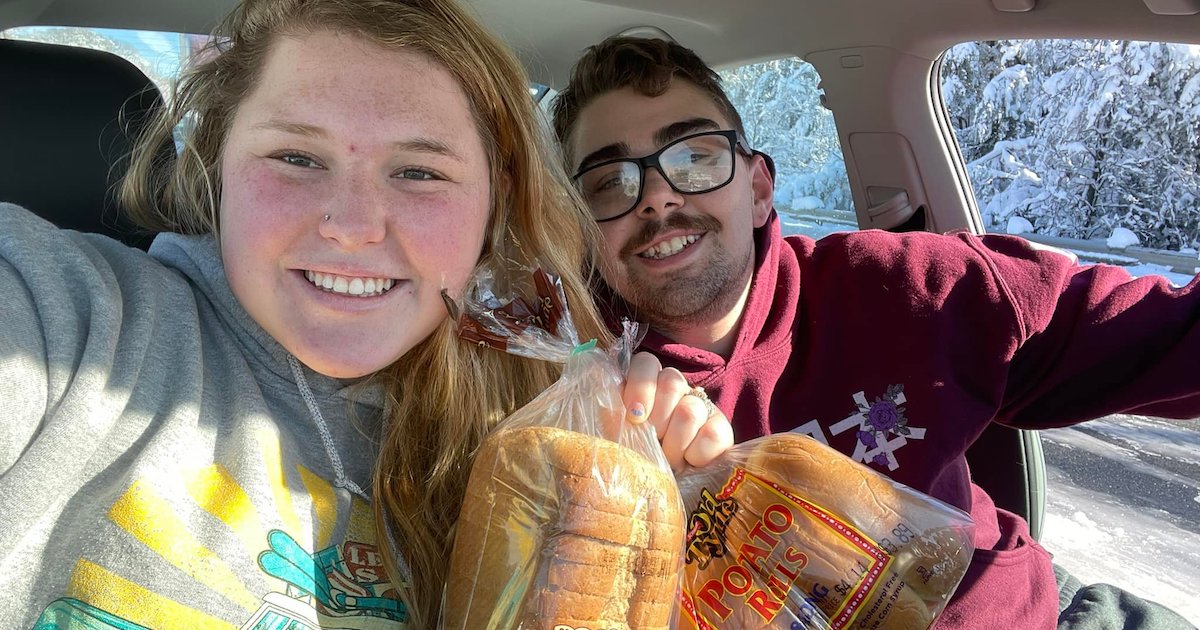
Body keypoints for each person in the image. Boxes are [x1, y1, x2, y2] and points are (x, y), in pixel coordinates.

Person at [0, 4, 734, 628]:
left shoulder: (531, 421)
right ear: (218, 162)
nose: (352, 225)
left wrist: (656, 515)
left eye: (418, 171)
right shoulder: (71, 325)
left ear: (494, 200)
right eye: (296, 157)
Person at [550, 36, 1200, 630]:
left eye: (695, 157)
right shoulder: (570, 396)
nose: (658, 197)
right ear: (582, 229)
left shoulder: (906, 290)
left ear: (757, 191)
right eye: (611, 182)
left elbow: (1167, 336)